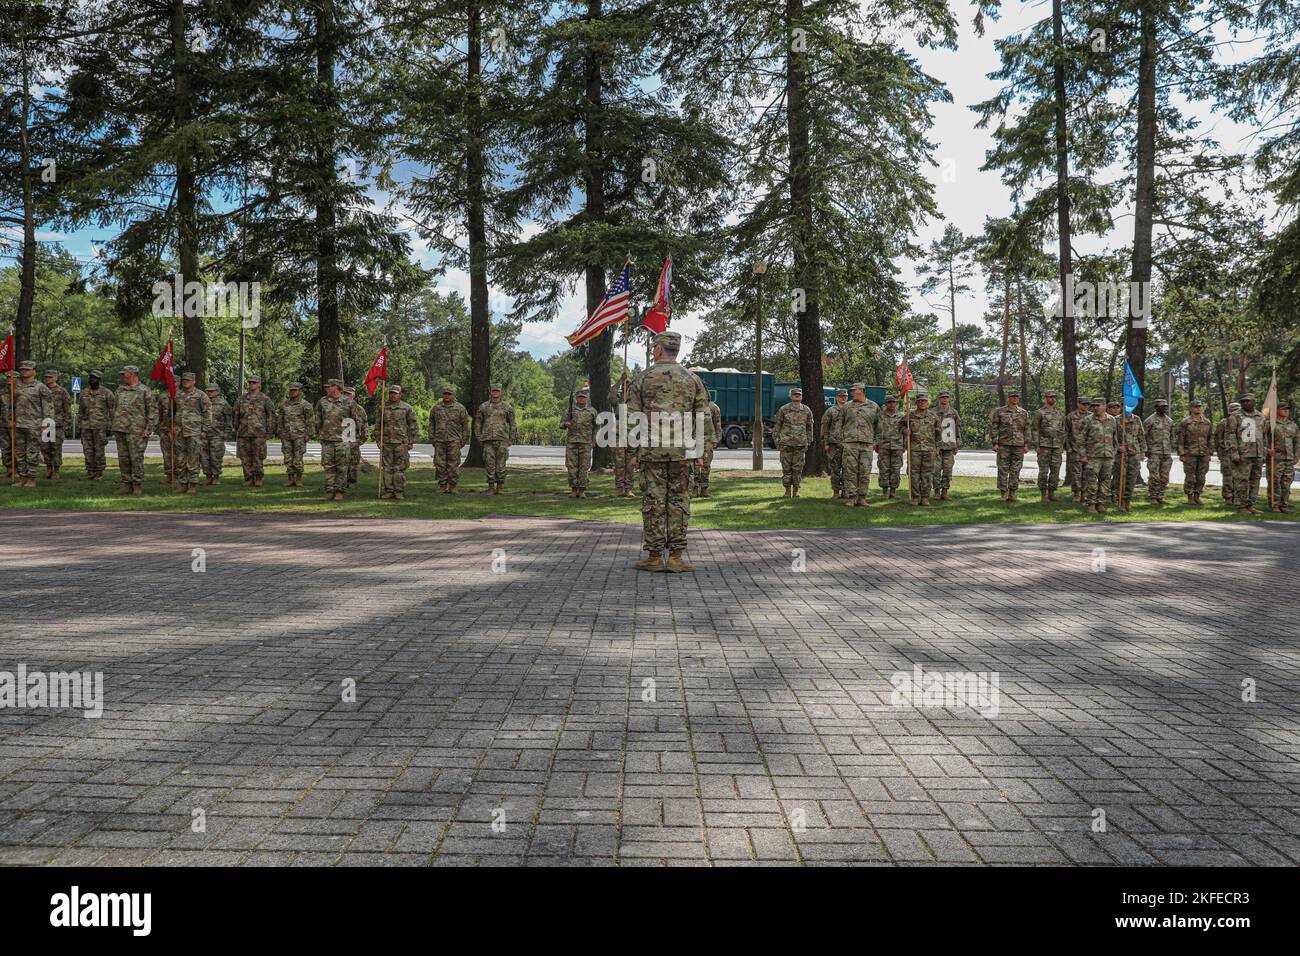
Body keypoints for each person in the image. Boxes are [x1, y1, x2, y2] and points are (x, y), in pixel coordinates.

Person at [627, 330, 710, 572]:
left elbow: (632, 418)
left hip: (652, 452)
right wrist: (700, 453)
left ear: (659, 350)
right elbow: (703, 418)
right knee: (679, 502)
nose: (653, 351)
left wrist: (631, 453)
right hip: (683, 453)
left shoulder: (643, 378)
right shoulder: (692, 379)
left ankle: (653, 556)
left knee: (653, 502)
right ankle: (676, 556)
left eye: (654, 347)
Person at [111, 365, 156, 495]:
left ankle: (137, 485)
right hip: (120, 429)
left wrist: (148, 429)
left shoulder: (144, 391)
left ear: (132, 374)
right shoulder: (120, 390)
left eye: (124, 373)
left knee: (136, 458)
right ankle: (126, 484)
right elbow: (114, 408)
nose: (122, 376)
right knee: (123, 458)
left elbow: (152, 412)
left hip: (137, 431)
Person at [316, 379, 359, 501]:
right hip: (327, 440)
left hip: (343, 440)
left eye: (329, 386)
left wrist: (353, 439)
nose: (327, 388)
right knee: (328, 466)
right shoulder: (323, 401)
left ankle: (339, 491)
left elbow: (356, 421)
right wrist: (319, 433)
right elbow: (318, 419)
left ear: (336, 387)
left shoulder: (349, 402)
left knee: (342, 467)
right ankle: (330, 490)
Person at [10, 361, 51, 488]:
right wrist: (11, 418)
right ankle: (22, 477)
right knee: (19, 452)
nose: (24, 371)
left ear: (34, 371)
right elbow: (12, 404)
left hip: (35, 425)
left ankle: (32, 478)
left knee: (32, 452)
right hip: (19, 424)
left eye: (27, 369)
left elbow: (48, 407)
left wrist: (47, 423)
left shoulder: (41, 387)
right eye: (22, 369)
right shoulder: (16, 386)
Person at [839, 383, 878, 507]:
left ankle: (862, 498)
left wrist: (876, 442)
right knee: (850, 471)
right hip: (850, 443)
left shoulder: (873, 406)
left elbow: (879, 426)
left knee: (865, 471)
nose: (851, 393)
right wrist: (840, 440)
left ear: (861, 390)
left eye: (853, 390)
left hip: (867, 444)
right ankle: (851, 498)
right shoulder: (846, 407)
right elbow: (839, 425)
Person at [172, 371, 211, 494]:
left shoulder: (201, 395)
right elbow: (173, 412)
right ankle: (183, 483)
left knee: (193, 458)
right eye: (184, 380)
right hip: (179, 431)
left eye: (188, 380)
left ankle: (193, 484)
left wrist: (205, 429)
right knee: (180, 459)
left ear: (194, 381)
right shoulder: (177, 395)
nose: (185, 382)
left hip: (194, 431)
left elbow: (208, 413)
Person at [234, 374, 277, 487]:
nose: (251, 384)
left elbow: (271, 415)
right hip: (243, 432)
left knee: (258, 456)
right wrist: (236, 428)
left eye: (254, 382)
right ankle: (248, 478)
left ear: (259, 384)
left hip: (259, 433)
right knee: (245, 457)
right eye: (250, 382)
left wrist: (269, 430)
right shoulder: (242, 399)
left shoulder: (265, 399)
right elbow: (236, 414)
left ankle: (258, 478)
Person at [1226, 394, 1266, 515]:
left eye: (1248, 401)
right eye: (1243, 401)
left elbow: (1263, 436)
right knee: (1242, 481)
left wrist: (1263, 452)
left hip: (1257, 453)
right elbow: (1230, 436)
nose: (1246, 403)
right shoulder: (1235, 416)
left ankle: (1251, 505)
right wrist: (1234, 453)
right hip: (1243, 454)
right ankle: (1241, 506)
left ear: (1254, 402)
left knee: (1255, 480)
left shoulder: (1260, 416)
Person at [474, 383, 517, 494]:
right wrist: (479, 438)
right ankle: (491, 487)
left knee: (501, 464)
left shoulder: (507, 407)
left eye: (497, 391)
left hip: (502, 439)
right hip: (488, 440)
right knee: (489, 464)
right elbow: (478, 423)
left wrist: (511, 438)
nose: (495, 393)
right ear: (490, 391)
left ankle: (500, 487)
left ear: (501, 392)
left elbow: (512, 423)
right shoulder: (483, 407)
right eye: (494, 390)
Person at [378, 384, 418, 500]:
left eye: (395, 393)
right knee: (387, 468)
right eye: (391, 393)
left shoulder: (407, 408)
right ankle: (389, 490)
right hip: (387, 442)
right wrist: (378, 439)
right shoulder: (383, 407)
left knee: (399, 468)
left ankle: (399, 491)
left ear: (400, 395)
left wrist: (411, 441)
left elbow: (413, 426)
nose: (393, 395)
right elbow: (378, 425)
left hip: (401, 443)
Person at [773, 386, 813, 497]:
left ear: (801, 396)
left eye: (799, 394)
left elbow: (809, 427)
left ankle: (796, 490)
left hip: (800, 444)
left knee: (798, 469)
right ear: (791, 396)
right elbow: (777, 426)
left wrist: (808, 441)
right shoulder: (783, 409)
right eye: (795, 394)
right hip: (786, 444)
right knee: (786, 468)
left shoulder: (806, 410)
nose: (797, 396)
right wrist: (777, 441)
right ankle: (787, 491)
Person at [990, 388, 1030, 501]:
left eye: (1016, 397)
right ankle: (1003, 493)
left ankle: (1013, 493)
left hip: (1018, 445)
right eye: (1012, 396)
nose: (1014, 398)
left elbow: (1027, 429)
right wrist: (995, 442)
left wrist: (1027, 444)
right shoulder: (1000, 411)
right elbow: (994, 427)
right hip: (1004, 444)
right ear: (1009, 398)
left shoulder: (1023, 413)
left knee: (1015, 469)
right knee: (1003, 469)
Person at [429, 385, 470, 493]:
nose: (447, 396)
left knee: (453, 464)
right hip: (439, 440)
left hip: (454, 440)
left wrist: (464, 439)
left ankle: (453, 486)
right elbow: (432, 424)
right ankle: (442, 485)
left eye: (449, 394)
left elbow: (465, 425)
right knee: (440, 463)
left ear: (453, 395)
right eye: (445, 394)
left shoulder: (460, 408)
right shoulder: (436, 408)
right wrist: (432, 437)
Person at [77, 370, 115, 481]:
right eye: (91, 378)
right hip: (86, 426)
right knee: (87, 450)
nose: (92, 380)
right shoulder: (84, 393)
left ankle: (99, 472)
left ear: (99, 380)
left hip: (100, 427)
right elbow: (80, 411)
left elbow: (112, 410)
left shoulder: (107, 393)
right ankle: (90, 472)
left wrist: (110, 426)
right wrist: (80, 425)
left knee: (99, 450)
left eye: (95, 378)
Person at [1080, 398, 1116, 514]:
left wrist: (1113, 453)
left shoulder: (1112, 420)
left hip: (1108, 456)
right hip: (1093, 456)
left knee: (1105, 481)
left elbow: (1115, 439)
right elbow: (1080, 439)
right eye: (1094, 406)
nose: (1095, 408)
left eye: (1098, 405)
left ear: (1104, 406)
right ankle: (1091, 504)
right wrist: (1083, 455)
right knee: (1092, 481)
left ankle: (1100, 503)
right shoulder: (1088, 420)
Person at [1031, 389, 1066, 502]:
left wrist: (1062, 445)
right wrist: (1037, 445)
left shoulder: (1059, 413)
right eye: (1050, 397)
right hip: (1044, 446)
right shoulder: (1039, 413)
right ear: (1045, 398)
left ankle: (1052, 493)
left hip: (1057, 447)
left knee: (1055, 470)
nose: (1052, 399)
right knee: (1043, 471)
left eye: (1054, 397)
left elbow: (1063, 431)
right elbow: (1035, 430)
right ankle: (1043, 494)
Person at [907, 391, 941, 505]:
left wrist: (937, 448)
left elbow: (938, 433)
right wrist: (904, 431)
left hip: (929, 450)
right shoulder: (909, 416)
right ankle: (916, 497)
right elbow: (900, 426)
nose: (922, 403)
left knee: (927, 474)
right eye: (920, 401)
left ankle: (925, 497)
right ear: (916, 403)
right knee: (914, 474)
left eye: (924, 401)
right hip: (914, 449)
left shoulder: (933, 416)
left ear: (928, 403)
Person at [563, 388, 598, 497]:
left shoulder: (592, 411)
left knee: (584, 467)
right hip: (572, 442)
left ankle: (582, 490)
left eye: (583, 397)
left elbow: (597, 427)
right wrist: (565, 424)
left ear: (586, 399)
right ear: (576, 399)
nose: (581, 399)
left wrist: (594, 440)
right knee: (571, 466)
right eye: (579, 397)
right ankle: (573, 489)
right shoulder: (570, 410)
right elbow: (562, 423)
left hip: (586, 442)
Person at [1177, 399, 1212, 505]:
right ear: (1191, 408)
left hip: (1203, 453)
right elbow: (1180, 439)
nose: (1198, 408)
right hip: (1190, 453)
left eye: (1199, 406)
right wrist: (1181, 453)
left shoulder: (1207, 422)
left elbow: (1210, 438)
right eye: (1196, 406)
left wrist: (1209, 452)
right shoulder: (1185, 422)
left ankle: (1197, 496)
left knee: (1201, 476)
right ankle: (1190, 497)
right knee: (1190, 477)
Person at [279, 382, 314, 487]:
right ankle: (290, 478)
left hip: (299, 435)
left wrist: (308, 434)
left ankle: (299, 479)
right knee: (287, 458)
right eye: (291, 390)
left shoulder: (305, 405)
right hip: (286, 435)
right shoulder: (284, 404)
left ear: (300, 391)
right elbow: (280, 419)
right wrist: (280, 431)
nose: (292, 392)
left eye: (295, 390)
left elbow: (310, 421)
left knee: (298, 459)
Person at [40, 369, 72, 480]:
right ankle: (49, 468)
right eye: (46, 377)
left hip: (57, 425)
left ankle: (56, 470)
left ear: (56, 378)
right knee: (45, 448)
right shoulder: (41, 390)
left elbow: (67, 409)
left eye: (50, 377)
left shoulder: (62, 391)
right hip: (44, 424)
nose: (48, 379)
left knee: (56, 448)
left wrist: (66, 424)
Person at [610, 378, 638, 498]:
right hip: (619, 434)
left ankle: (629, 488)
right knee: (619, 462)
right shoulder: (618, 401)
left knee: (630, 464)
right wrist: (620, 381)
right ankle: (618, 488)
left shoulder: (636, 403)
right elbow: (611, 393)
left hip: (633, 433)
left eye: (628, 386)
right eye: (625, 386)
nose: (627, 388)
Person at [1143, 399, 1175, 504]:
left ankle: (1160, 496)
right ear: (1156, 407)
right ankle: (1153, 496)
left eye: (1165, 406)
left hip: (1166, 452)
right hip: (1154, 452)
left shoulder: (1170, 421)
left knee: (1165, 476)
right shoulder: (1150, 420)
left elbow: (1171, 437)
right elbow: (1144, 436)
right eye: (1162, 406)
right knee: (1154, 476)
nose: (1164, 408)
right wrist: (1146, 450)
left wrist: (1171, 448)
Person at [1267, 401, 1296, 513]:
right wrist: (1267, 450)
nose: (1286, 410)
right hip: (1275, 459)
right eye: (1284, 409)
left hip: (1289, 458)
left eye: (1287, 409)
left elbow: (1297, 442)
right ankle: (1274, 505)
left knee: (1286, 483)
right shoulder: (1271, 424)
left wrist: (1296, 456)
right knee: (1275, 482)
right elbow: (1261, 438)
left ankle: (1284, 505)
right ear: (1277, 410)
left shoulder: (1292, 425)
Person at [201, 383, 233, 485]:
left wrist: (227, 433)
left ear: (217, 391)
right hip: (203, 434)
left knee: (216, 457)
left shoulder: (223, 404)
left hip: (217, 435)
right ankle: (208, 476)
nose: (210, 393)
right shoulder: (202, 402)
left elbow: (229, 420)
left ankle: (216, 477)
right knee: (204, 457)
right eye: (208, 391)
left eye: (212, 391)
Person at [874, 395, 904, 499]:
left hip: (897, 446)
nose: (891, 404)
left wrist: (904, 444)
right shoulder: (879, 416)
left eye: (893, 402)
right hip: (883, 446)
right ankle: (884, 491)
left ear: (896, 404)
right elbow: (874, 430)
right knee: (884, 469)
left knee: (896, 469)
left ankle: (893, 492)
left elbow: (904, 431)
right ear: (885, 404)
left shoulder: (901, 416)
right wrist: (875, 443)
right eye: (889, 402)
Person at [693, 393, 721, 498]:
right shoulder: (693, 406)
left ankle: (704, 489)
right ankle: (695, 488)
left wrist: (716, 440)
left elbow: (717, 424)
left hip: (708, 440)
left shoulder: (713, 408)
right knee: (694, 465)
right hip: (695, 439)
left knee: (706, 465)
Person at [934, 390, 960, 501]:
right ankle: (936, 492)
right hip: (937, 446)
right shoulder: (933, 412)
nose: (944, 399)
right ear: (939, 399)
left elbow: (957, 429)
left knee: (948, 470)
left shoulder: (953, 412)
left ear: (949, 399)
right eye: (942, 397)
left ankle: (945, 492)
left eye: (946, 397)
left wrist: (957, 444)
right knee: (935, 470)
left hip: (949, 446)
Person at [1065, 395, 1091, 502]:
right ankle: (1077, 493)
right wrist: (1068, 447)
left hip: (1089, 450)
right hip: (1075, 449)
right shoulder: (1071, 416)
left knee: (1087, 473)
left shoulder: (1092, 416)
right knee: (1076, 473)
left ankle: (1084, 493)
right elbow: (1066, 433)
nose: (1085, 406)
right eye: (1083, 404)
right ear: (1078, 404)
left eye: (1087, 404)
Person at [1216, 402, 1240, 508]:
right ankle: (1228, 497)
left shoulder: (1244, 422)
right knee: (1228, 477)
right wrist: (1220, 455)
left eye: (1238, 410)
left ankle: (1238, 497)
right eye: (1234, 410)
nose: (1236, 412)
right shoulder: (1223, 423)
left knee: (1240, 477)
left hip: (1241, 454)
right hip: (1227, 454)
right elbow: (1217, 439)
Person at [342, 386, 368, 486]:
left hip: (354, 439)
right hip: (341, 439)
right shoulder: (339, 407)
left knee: (354, 461)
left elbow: (365, 423)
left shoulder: (359, 409)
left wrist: (363, 438)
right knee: (342, 461)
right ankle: (342, 481)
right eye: (345, 394)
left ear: (353, 395)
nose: (347, 396)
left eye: (349, 394)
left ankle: (351, 480)